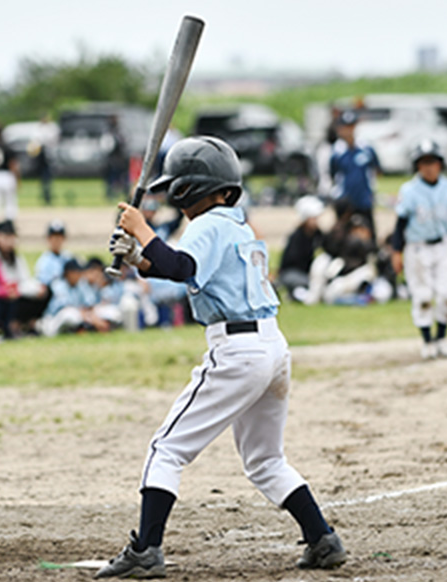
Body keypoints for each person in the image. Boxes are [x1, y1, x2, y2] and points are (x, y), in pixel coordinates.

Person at [101, 136, 345, 578]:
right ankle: (322, 538)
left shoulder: (207, 225)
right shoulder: (238, 226)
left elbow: (182, 268)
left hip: (237, 352)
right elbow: (182, 269)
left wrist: (141, 228)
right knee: (266, 460)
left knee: (167, 449)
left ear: (188, 189)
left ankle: (146, 550)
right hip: (272, 347)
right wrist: (140, 258)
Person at [391, 140, 447, 360]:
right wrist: (396, 252)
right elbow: (400, 224)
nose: (428, 167)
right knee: (423, 295)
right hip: (417, 248)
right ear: (417, 166)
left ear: (440, 164)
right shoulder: (409, 191)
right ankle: (428, 341)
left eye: (432, 162)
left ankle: (442, 337)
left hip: (444, 245)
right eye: (424, 162)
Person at [329, 110, 380, 240]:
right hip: (345, 199)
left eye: (351, 126)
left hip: (364, 197)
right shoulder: (337, 151)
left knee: (369, 232)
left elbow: (376, 169)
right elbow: (333, 175)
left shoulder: (366, 148)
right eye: (345, 127)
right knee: (343, 233)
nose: (348, 130)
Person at [0, 220, 48, 333]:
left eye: (12, 237)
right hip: (2, 295)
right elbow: (4, 283)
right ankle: (11, 325)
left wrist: (37, 288)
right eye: (7, 237)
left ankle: (30, 324)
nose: (10, 241)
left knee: (44, 292)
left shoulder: (16, 258)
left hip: (18, 291)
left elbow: (25, 279)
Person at [278, 195, 325, 302]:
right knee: (308, 284)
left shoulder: (317, 234)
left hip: (307, 273)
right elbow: (291, 261)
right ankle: (295, 294)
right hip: (292, 273)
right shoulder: (297, 236)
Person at [34, 220, 73, 286]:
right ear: (48, 239)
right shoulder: (43, 262)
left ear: (64, 239)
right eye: (54, 237)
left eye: (59, 237)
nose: (56, 240)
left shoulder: (69, 257)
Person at [32, 114, 60, 205]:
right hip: (40, 155)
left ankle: (48, 196)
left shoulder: (51, 128)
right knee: (42, 177)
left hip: (49, 155)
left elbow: (53, 139)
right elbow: (36, 141)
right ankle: (45, 195)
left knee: (48, 177)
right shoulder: (38, 128)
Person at [105, 116, 129, 201]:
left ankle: (123, 193)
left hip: (118, 160)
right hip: (114, 160)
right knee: (113, 178)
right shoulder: (112, 133)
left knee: (120, 177)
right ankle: (111, 194)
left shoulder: (116, 133)